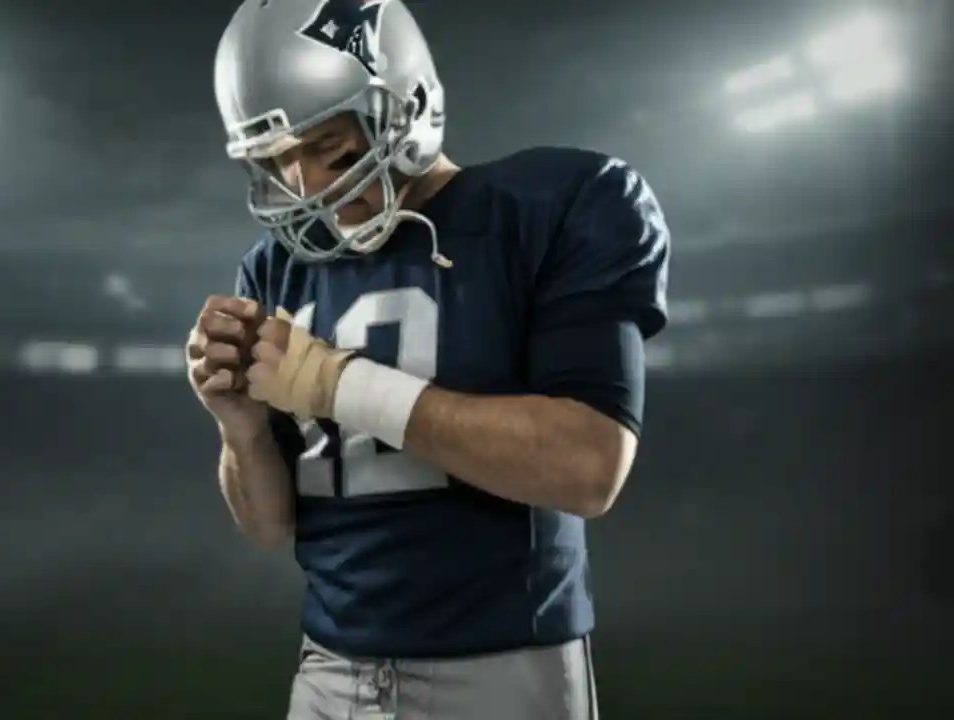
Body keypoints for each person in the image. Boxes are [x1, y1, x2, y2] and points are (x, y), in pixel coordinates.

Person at [185, 1, 670, 717]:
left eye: (333, 151)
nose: (309, 188)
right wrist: (240, 428)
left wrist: (338, 383)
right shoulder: (274, 268)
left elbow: (588, 467)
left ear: (403, 104)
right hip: (327, 670)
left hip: (503, 670)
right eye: (278, 164)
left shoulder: (554, 205)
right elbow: (267, 527)